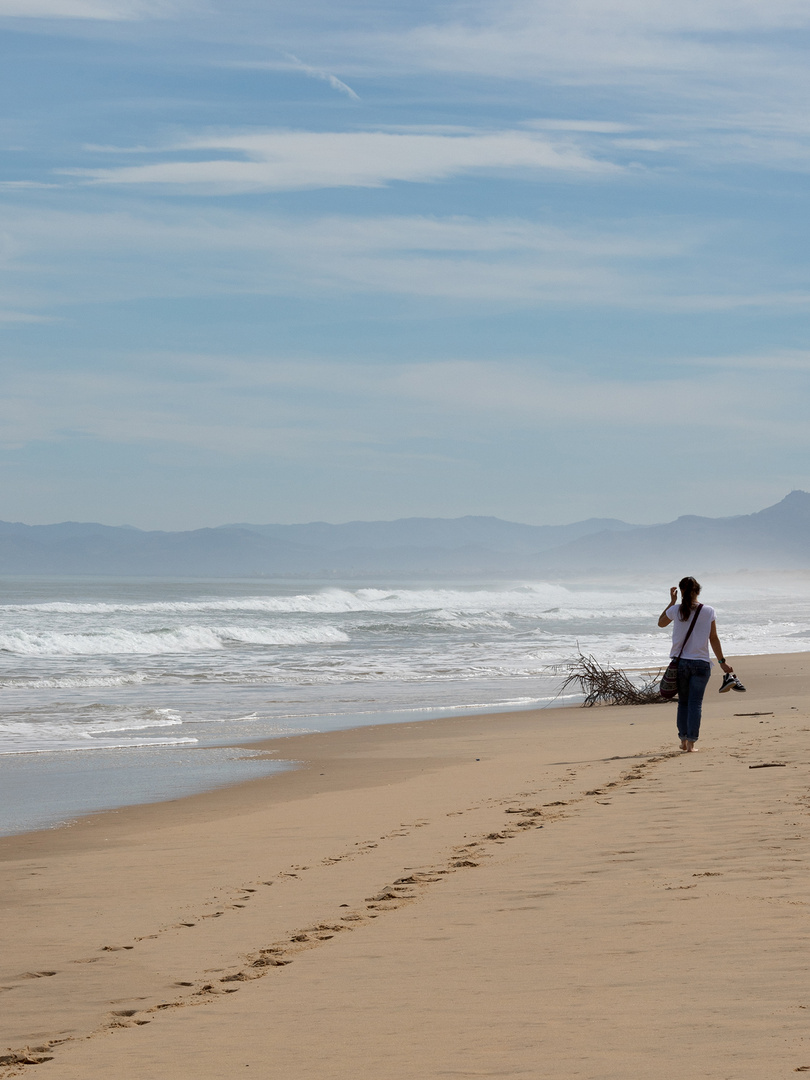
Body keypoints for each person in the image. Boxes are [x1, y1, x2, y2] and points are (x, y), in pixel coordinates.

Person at [657, 576, 735, 752]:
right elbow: (713, 638)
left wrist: (671, 602)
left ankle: (683, 741)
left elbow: (661, 623)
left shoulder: (676, 610)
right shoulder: (708, 611)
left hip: (681, 664)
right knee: (695, 703)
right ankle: (692, 743)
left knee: (683, 703)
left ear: (681, 591)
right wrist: (722, 662)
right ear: (698, 591)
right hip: (701, 664)